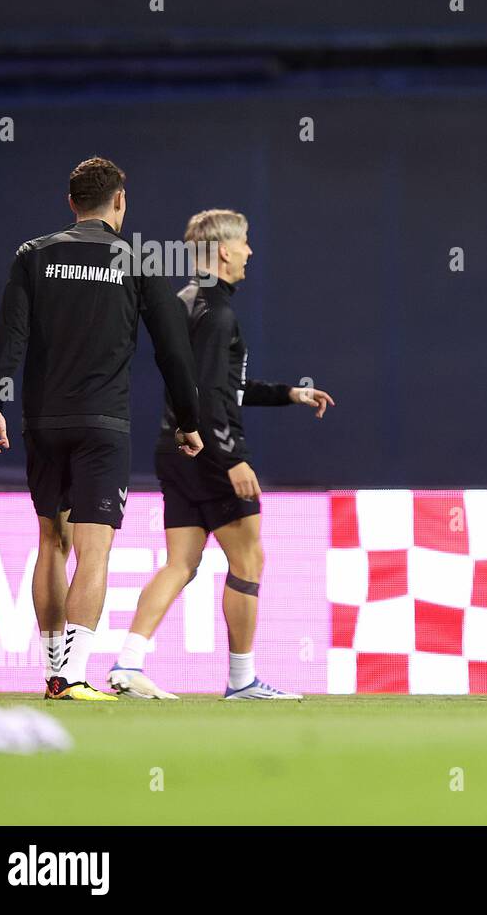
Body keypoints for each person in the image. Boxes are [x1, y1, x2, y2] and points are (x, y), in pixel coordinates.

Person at [0, 156, 203, 701]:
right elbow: (172, 351)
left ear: (70, 201)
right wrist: (188, 420)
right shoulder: (139, 260)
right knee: (93, 549)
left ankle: (54, 672)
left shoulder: (33, 255)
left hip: (43, 421)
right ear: (119, 201)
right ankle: (71, 675)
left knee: (50, 542)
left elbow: (10, 335)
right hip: (103, 423)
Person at [105, 209, 335, 701]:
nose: (251, 252)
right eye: (245, 243)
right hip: (211, 450)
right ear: (225, 251)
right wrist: (232, 457)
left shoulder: (188, 302)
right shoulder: (220, 313)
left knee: (181, 563)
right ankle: (241, 680)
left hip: (174, 447)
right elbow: (211, 397)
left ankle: (127, 663)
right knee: (249, 557)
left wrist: (288, 394)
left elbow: (220, 387)